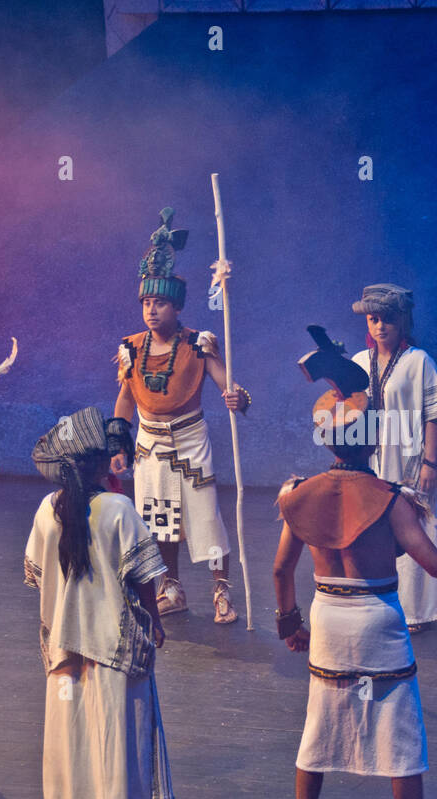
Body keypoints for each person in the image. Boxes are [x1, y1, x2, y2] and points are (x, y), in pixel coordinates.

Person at [273, 327, 437, 799]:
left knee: (318, 733)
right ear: (372, 440)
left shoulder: (299, 496)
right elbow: (436, 565)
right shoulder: (391, 500)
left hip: (327, 619)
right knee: (401, 737)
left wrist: (290, 624)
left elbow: (282, 570)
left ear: (326, 438)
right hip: (378, 621)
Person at [25, 407, 175, 799]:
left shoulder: (45, 509)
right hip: (113, 639)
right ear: (96, 462)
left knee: (72, 727)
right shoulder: (117, 508)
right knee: (117, 726)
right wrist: (154, 622)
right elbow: (144, 575)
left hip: (64, 642)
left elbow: (37, 575)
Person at [110, 207, 250, 624]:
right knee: (159, 519)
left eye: (161, 303)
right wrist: (118, 442)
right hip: (148, 444)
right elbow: (125, 400)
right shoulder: (131, 348)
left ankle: (221, 592)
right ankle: (170, 588)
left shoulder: (199, 343)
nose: (152, 311)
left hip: (190, 441)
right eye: (147, 302)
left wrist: (237, 398)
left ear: (177, 306)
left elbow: (230, 385)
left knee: (204, 516)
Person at [349, 283, 437, 631]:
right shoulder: (359, 362)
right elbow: (351, 411)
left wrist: (430, 462)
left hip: (409, 458)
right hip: (373, 460)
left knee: (414, 525)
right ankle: (379, 600)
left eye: (388, 320)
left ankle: (415, 611)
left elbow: (433, 413)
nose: (380, 327)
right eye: (373, 319)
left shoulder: (418, 361)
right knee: (374, 529)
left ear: (402, 322)